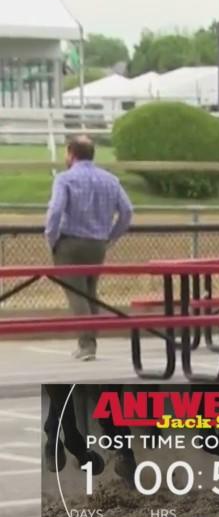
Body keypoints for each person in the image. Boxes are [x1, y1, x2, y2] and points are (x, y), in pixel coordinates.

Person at [43, 135, 134, 361]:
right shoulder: (110, 180)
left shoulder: (65, 179)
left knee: (76, 293)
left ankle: (87, 344)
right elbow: (127, 211)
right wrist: (111, 237)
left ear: (71, 153)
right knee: (90, 292)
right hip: (97, 244)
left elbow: (55, 211)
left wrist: (51, 238)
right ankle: (90, 338)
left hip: (70, 242)